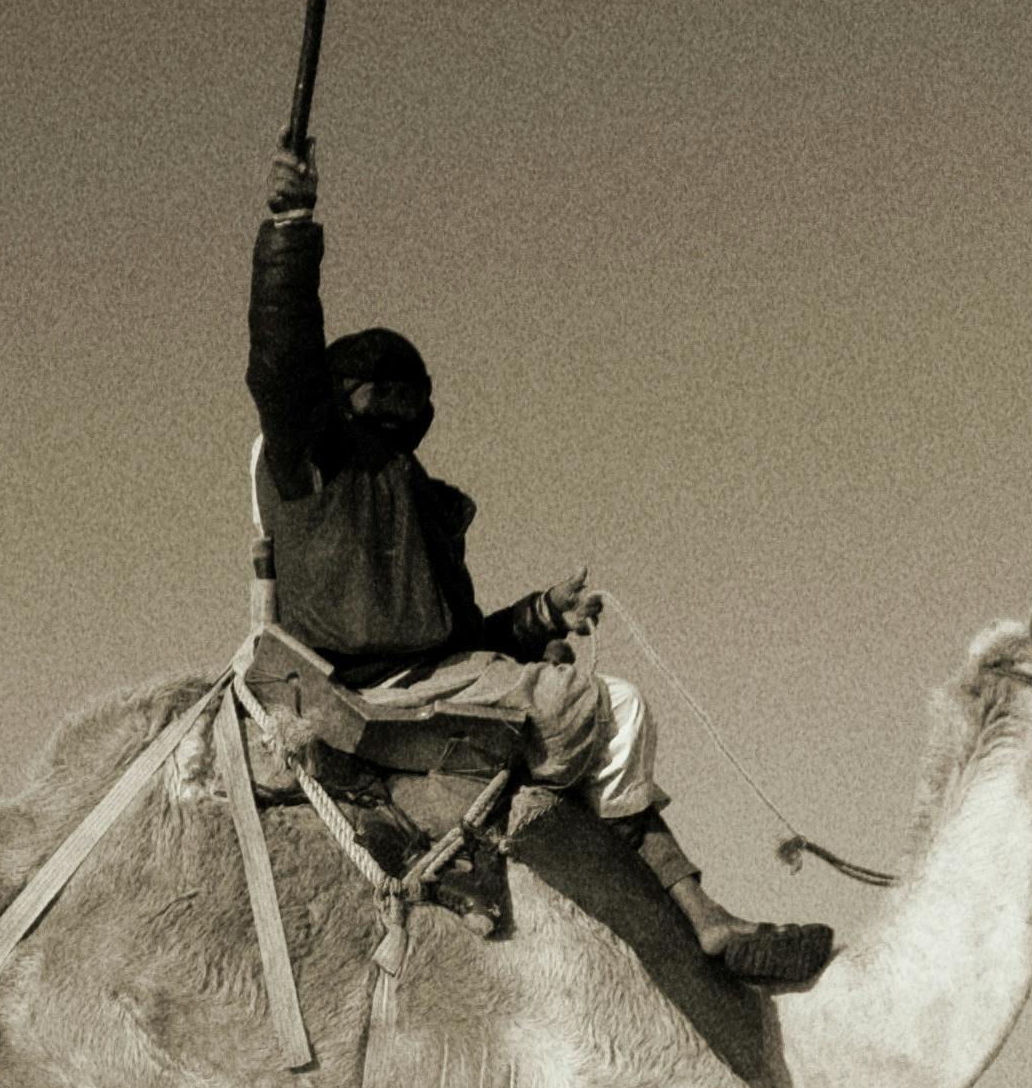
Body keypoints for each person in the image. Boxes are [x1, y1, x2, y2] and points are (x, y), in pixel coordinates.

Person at [246, 145, 833, 988]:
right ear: (361, 392)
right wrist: (289, 230)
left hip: (436, 673)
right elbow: (282, 351)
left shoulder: (414, 495)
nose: (424, 409)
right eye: (407, 391)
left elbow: (455, 634)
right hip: (370, 691)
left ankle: (701, 921)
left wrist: (539, 619)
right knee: (595, 706)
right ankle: (700, 920)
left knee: (610, 703)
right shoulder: (310, 457)